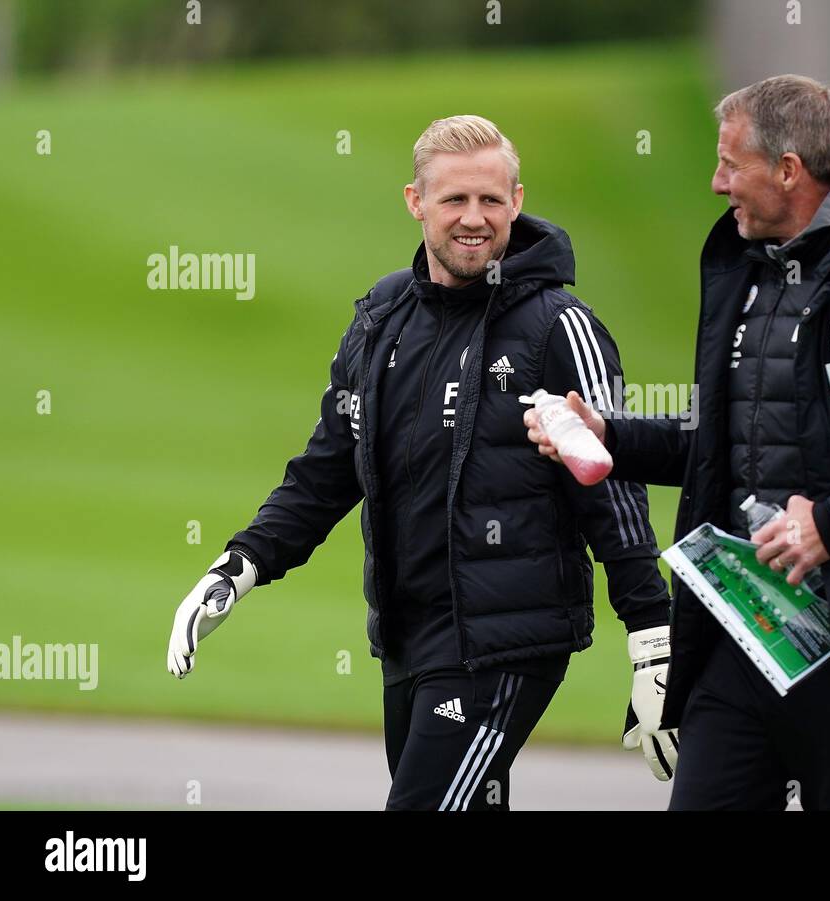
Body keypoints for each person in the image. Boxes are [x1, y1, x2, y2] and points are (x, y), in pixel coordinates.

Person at [526, 76, 830, 811]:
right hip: (742, 636)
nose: (715, 182)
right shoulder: (744, 275)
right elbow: (725, 439)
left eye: (732, 164)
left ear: (789, 170)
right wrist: (611, 435)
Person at [166, 115, 677, 810]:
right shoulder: (381, 317)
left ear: (517, 202)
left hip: (503, 642)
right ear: (416, 202)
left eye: (491, 201)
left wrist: (652, 635)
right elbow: (327, 467)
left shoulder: (557, 325)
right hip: (410, 640)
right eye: (454, 201)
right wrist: (242, 562)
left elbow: (611, 487)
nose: (474, 219)